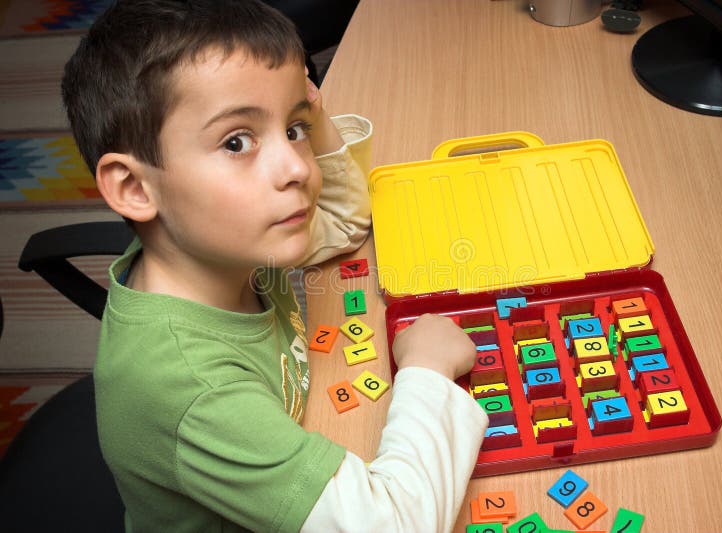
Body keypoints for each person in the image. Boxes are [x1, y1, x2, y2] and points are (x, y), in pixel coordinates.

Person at [61, 1, 488, 531]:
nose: (295, 169)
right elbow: (395, 525)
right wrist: (428, 371)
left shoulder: (217, 242)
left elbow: (343, 220)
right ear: (134, 187)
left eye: (293, 130)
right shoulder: (190, 387)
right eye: (237, 141)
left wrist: (317, 118)